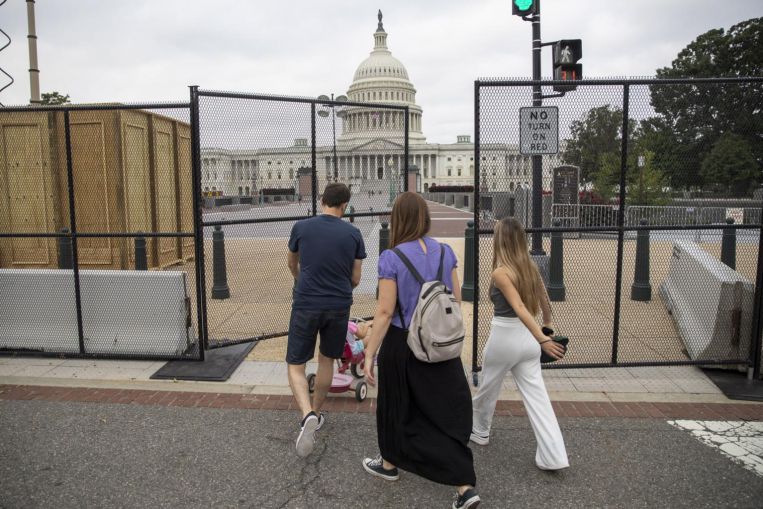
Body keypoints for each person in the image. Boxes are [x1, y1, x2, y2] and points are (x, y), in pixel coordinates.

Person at [362, 192, 480, 509]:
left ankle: (389, 465)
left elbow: (385, 313)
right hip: (439, 342)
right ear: (425, 218)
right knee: (445, 410)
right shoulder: (444, 252)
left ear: (397, 219)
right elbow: (453, 299)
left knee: (395, 405)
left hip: (404, 342)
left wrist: (370, 352)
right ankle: (464, 487)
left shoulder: (392, 258)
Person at [470, 217, 569, 471]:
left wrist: (544, 338)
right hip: (528, 343)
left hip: (505, 337)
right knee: (538, 399)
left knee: (487, 388)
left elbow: (519, 307)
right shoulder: (529, 266)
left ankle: (480, 431)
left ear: (500, 240)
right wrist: (546, 325)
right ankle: (553, 456)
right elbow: (542, 298)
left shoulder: (501, 272)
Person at [286, 183, 366, 457]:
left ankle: (306, 412)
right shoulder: (354, 234)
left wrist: (301, 280)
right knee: (326, 360)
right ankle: (316, 413)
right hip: (339, 304)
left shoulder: (301, 228)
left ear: (322, 201)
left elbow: (292, 263)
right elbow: (356, 278)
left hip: (306, 302)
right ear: (344, 206)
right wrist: (342, 288)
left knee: (296, 364)